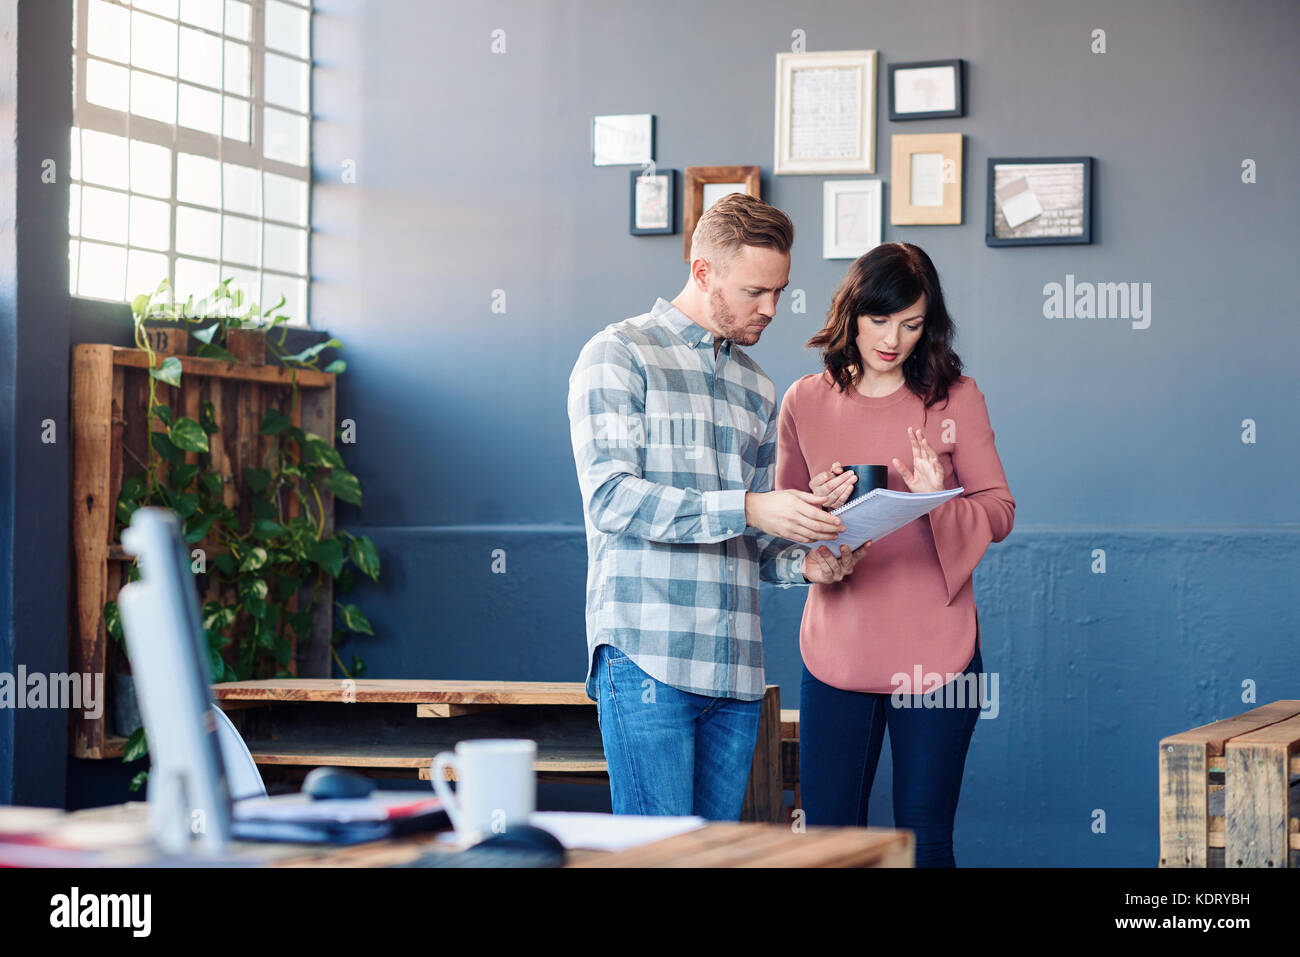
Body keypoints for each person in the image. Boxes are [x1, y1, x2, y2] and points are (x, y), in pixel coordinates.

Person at [566, 194, 871, 820]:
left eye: (780, 291)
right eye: (755, 291)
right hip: (649, 655)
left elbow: (752, 537)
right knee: (657, 864)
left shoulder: (757, 386)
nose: (771, 309)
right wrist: (754, 507)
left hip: (735, 677)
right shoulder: (619, 353)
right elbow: (610, 497)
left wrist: (806, 560)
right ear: (703, 272)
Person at [774, 241, 1015, 865]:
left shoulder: (955, 397)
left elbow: (999, 511)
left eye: (911, 325)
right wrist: (816, 517)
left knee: (925, 841)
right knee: (828, 844)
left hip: (938, 650)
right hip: (838, 651)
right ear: (852, 314)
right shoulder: (803, 400)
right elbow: (783, 523)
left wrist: (938, 498)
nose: (893, 339)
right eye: (880, 321)